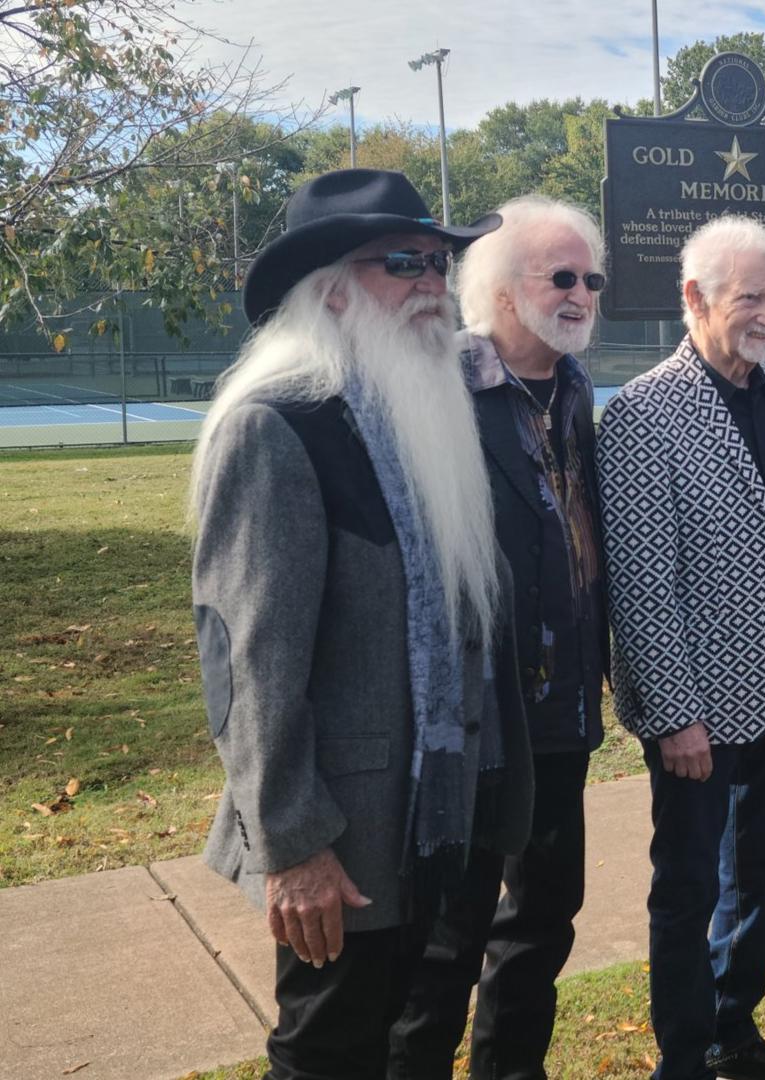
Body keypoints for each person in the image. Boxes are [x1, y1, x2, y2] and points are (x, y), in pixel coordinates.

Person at [187, 168, 532, 1076]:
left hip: (441, 812)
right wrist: (294, 846)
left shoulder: (425, 414)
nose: (433, 283)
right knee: (329, 1053)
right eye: (403, 264)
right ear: (332, 290)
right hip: (345, 835)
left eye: (438, 263)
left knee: (414, 1041)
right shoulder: (278, 428)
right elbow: (248, 666)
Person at [598, 215, 765, 1080]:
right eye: (749, 298)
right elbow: (641, 584)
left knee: (756, 865)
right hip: (699, 706)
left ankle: (735, 1031)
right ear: (694, 297)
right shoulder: (642, 414)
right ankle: (684, 1057)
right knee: (689, 883)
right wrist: (673, 716)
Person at [389, 194, 608, 1077]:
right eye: (562, 277)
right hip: (474, 723)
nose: (582, 293)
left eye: (592, 279)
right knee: (448, 939)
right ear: (504, 291)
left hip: (561, 715)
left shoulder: (576, 391)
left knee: (543, 920)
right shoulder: (438, 387)